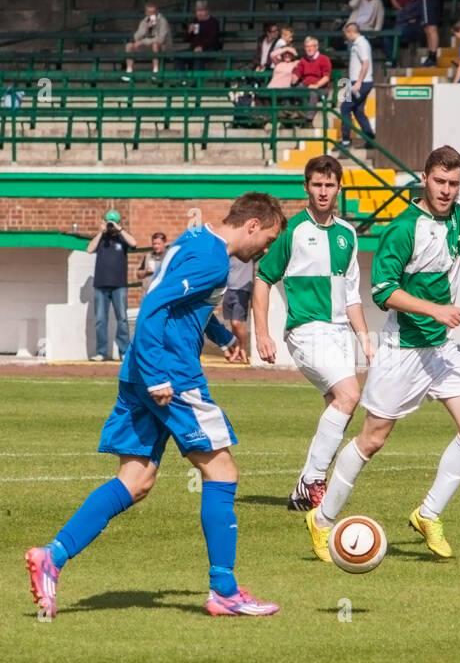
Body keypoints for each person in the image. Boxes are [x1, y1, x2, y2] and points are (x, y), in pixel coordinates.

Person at [304, 63, 460, 562]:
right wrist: (436, 309)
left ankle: (428, 514)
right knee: (373, 439)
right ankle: (322, 517)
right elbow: (382, 291)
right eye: (440, 181)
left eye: (454, 183)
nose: (447, 190)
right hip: (401, 351)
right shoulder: (403, 228)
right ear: (425, 178)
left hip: (440, 351)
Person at [24, 194, 288, 620]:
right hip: (170, 375)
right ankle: (224, 590)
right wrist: (157, 375)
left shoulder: (196, 238)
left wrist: (221, 337)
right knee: (222, 471)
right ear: (253, 225)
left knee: (136, 480)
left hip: (143, 371)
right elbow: (153, 307)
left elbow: (185, 306)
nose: (267, 249)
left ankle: (52, 556)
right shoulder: (214, 258)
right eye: (269, 238)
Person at [252, 155, 373, 514]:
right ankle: (313, 481)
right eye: (317, 185)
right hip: (305, 329)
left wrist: (364, 336)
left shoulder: (348, 235)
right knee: (350, 396)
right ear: (306, 188)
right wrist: (262, 334)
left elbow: (351, 294)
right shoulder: (292, 231)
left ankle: (302, 491)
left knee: (338, 408)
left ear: (338, 188)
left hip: (338, 333)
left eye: (329, 185)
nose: (323, 192)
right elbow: (262, 279)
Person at [87, 210, 137, 362]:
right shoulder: (101, 239)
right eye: (108, 222)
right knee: (101, 320)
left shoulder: (122, 239)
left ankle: (124, 352)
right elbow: (89, 249)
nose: (110, 226)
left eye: (112, 223)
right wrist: (101, 233)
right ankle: (101, 352)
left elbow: (134, 243)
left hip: (119, 285)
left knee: (122, 318)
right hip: (101, 285)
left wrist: (119, 229)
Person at [339, 23, 374, 149]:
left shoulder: (361, 44)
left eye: (346, 34)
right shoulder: (357, 43)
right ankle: (370, 138)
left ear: (350, 32)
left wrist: (359, 81)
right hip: (359, 82)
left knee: (345, 108)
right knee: (358, 111)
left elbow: (365, 63)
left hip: (359, 83)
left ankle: (346, 141)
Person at [398, 0, 440, 67]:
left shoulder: (423, 2)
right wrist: (408, 19)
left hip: (417, 28)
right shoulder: (407, 5)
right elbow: (400, 17)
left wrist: (410, 19)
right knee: (393, 33)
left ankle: (431, 56)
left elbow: (419, 17)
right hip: (406, 27)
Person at [123, 3, 171, 76]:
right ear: (146, 13)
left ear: (157, 12)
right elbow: (136, 37)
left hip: (163, 47)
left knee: (155, 45)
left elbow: (161, 39)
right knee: (129, 46)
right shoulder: (144, 21)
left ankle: (156, 71)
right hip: (147, 47)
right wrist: (146, 28)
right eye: (149, 12)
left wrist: (143, 42)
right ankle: (129, 71)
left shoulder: (163, 21)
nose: (151, 14)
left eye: (153, 12)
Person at [224, 246, 255, 354]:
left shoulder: (250, 252)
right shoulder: (228, 251)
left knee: (237, 323)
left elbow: (265, 250)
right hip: (228, 290)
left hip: (242, 290)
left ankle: (243, 350)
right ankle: (237, 351)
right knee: (233, 325)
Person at [293, 35, 333, 118]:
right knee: (290, 91)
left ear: (316, 47)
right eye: (307, 47)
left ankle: (309, 118)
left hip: (321, 88)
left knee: (312, 93)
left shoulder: (324, 59)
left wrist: (316, 85)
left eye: (311, 46)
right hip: (305, 85)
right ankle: (288, 113)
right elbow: (297, 75)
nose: (309, 49)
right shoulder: (303, 60)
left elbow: (326, 77)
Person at [184, 0, 222, 70]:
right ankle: (181, 79)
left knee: (198, 58)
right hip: (194, 49)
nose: (199, 13)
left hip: (209, 49)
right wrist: (189, 31)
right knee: (178, 57)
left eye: (201, 11)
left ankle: (197, 80)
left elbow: (212, 39)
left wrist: (202, 47)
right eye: (197, 11)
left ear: (207, 11)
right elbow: (186, 39)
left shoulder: (213, 22)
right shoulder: (195, 21)